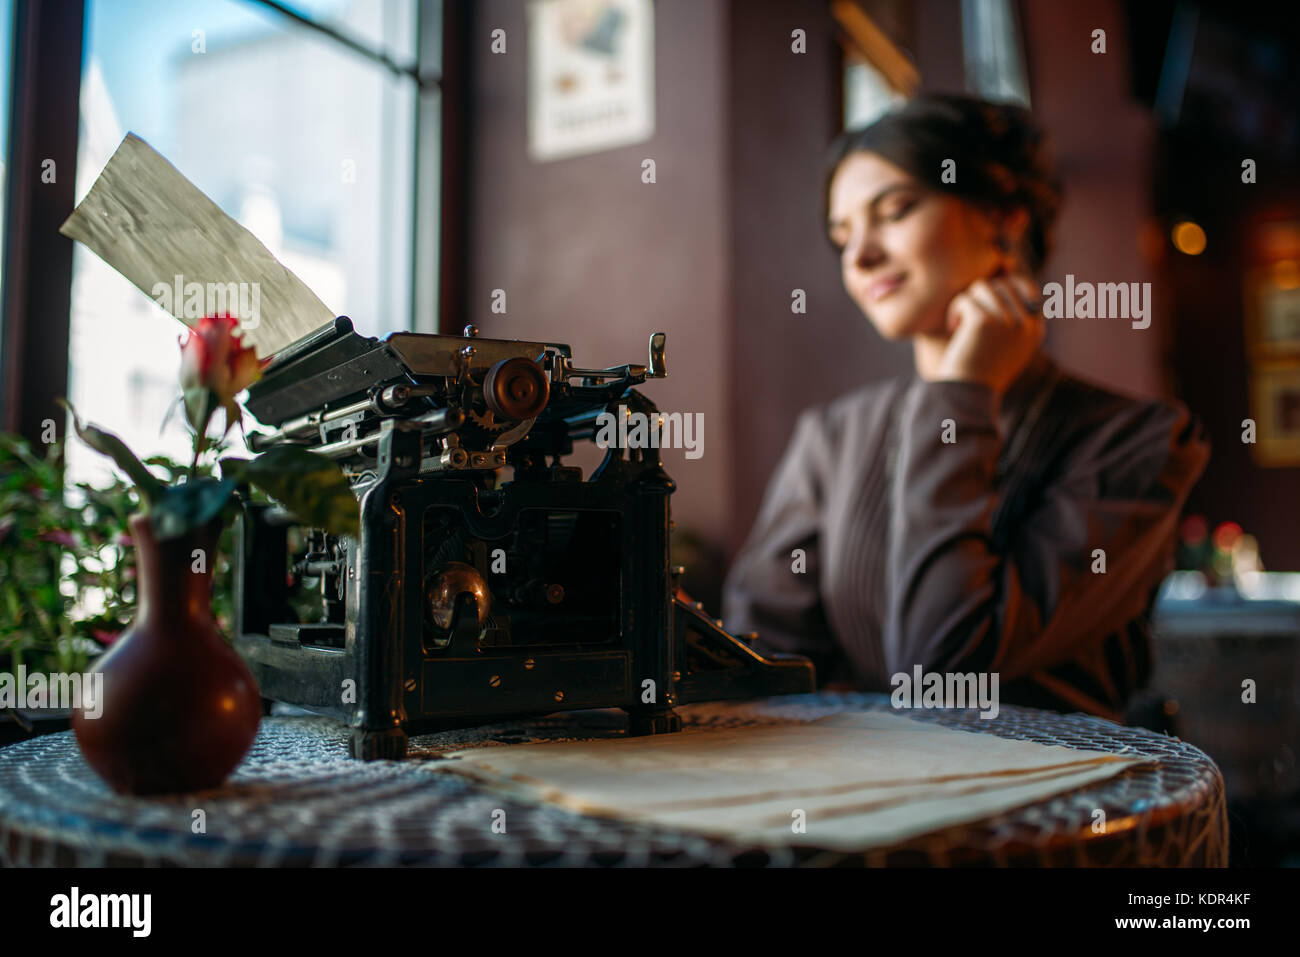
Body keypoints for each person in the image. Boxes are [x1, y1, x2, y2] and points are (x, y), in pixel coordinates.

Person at [721, 93, 1211, 723]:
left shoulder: (1139, 441)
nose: (859, 256)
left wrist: (962, 395)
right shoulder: (833, 435)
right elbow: (760, 664)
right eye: (842, 237)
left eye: (894, 211)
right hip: (856, 806)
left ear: (1004, 222)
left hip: (1053, 809)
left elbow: (941, 672)